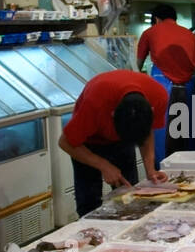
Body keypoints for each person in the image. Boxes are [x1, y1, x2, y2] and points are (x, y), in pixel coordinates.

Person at [60, 70, 169, 216]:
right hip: (87, 143)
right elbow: (66, 142)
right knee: (89, 203)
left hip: (122, 143)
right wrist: (103, 165)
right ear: (112, 115)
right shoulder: (96, 103)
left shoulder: (158, 96)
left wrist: (150, 169)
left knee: (130, 197)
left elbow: (147, 132)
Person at [137, 3, 195, 157]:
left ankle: (162, 167)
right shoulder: (190, 35)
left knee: (162, 128)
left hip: (162, 82)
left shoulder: (150, 32)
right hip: (189, 85)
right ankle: (192, 165)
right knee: (190, 127)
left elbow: (138, 63)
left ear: (157, 19)